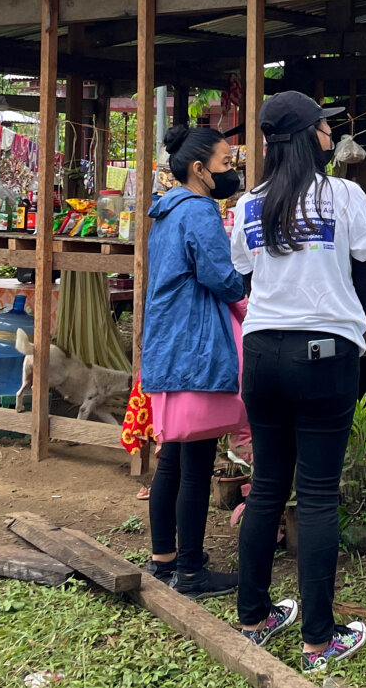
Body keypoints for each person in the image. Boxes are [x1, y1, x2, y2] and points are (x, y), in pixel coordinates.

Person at [230, 90, 366, 675]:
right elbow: (363, 270)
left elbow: (243, 275)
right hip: (327, 354)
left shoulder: (247, 204)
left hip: (261, 353)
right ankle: (318, 640)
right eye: (325, 128)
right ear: (310, 136)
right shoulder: (343, 195)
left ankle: (254, 618)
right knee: (316, 494)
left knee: (267, 486)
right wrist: (348, 321)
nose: (330, 136)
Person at [141, 125, 247, 597]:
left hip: (166, 345)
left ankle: (163, 558)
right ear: (200, 170)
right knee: (198, 458)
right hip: (196, 345)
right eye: (226, 163)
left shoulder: (163, 211)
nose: (232, 170)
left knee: (173, 458)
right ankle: (190, 573)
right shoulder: (201, 211)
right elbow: (221, 277)